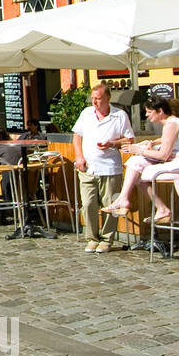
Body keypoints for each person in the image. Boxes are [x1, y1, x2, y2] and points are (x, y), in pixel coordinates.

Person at [101, 95, 179, 224]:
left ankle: (149, 206)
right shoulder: (173, 123)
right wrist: (152, 144)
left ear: (160, 111)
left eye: (149, 112)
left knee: (138, 173)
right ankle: (128, 200)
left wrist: (140, 150)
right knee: (135, 163)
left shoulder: (171, 125)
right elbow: (167, 142)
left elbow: (164, 155)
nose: (147, 115)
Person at [71, 84, 136, 253]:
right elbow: (77, 135)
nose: (94, 102)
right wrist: (79, 157)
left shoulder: (119, 115)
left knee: (111, 205)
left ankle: (107, 239)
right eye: (93, 98)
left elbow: (129, 140)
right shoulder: (86, 113)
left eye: (98, 99)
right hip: (87, 167)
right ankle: (92, 238)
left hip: (110, 168)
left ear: (107, 98)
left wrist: (112, 143)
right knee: (88, 204)